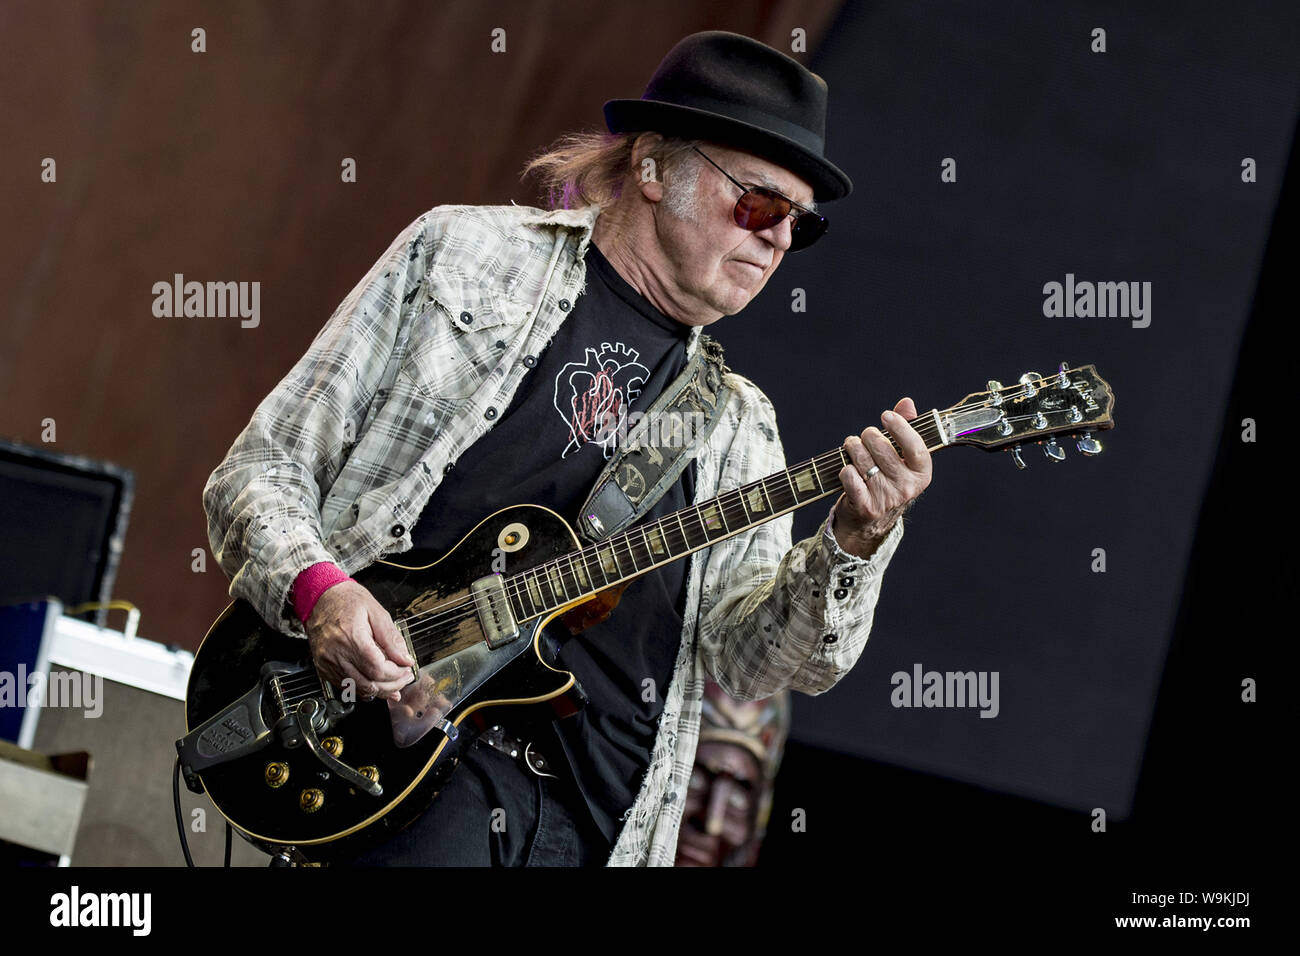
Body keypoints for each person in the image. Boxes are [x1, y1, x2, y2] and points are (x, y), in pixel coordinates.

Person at [203, 30, 932, 867]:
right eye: (759, 204)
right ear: (655, 167)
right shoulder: (463, 259)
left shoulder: (740, 427)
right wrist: (321, 593)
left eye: (799, 227)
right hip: (412, 780)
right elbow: (262, 470)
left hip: (603, 833)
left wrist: (855, 543)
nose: (775, 240)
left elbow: (758, 662)